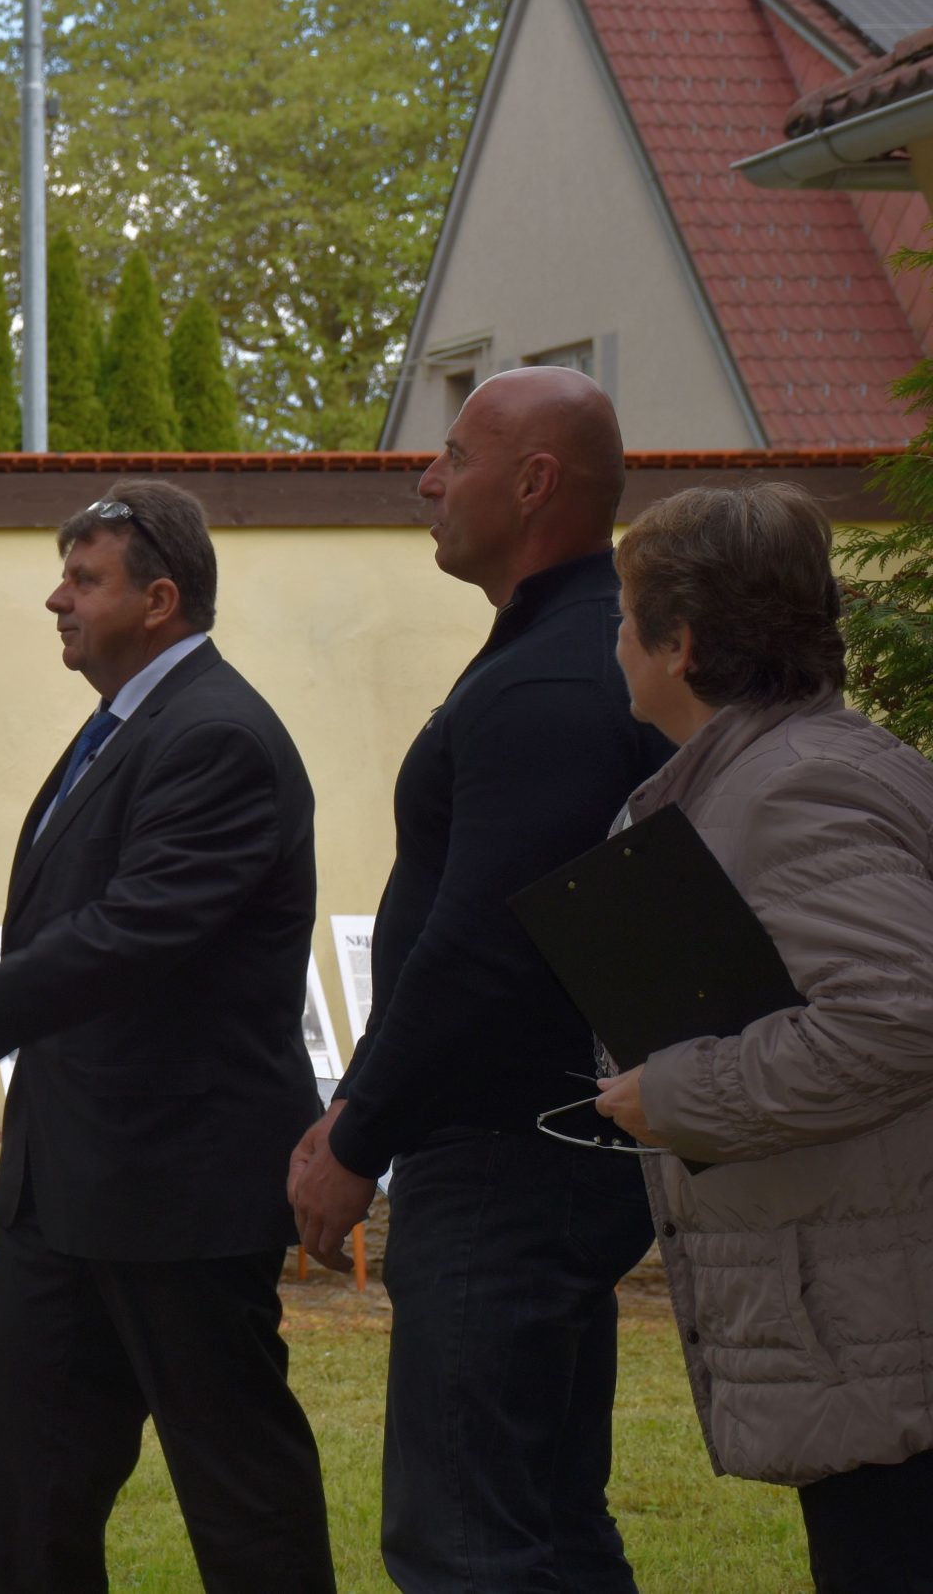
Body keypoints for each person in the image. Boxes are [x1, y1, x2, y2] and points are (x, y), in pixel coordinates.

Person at [0, 479, 334, 1593]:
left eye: (83, 581)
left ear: (159, 599)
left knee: (240, 1499)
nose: (54, 602)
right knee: (30, 1505)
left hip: (175, 1190)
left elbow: (136, 932)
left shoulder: (215, 735)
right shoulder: (126, 724)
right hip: (61, 1195)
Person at [287, 366, 674, 1592]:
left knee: (466, 1546)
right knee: (549, 1532)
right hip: (541, 1145)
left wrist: (358, 1129)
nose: (425, 479)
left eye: (452, 455)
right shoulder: (566, 649)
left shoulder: (556, 677)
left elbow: (491, 938)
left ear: (534, 482)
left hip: (509, 1159)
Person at [589, 483, 933, 1593]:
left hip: (888, 1334)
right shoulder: (757, 776)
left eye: (622, 611)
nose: (612, 638)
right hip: (864, 1315)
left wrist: (679, 1094)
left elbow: (899, 1015)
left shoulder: (797, 787)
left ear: (676, 644)